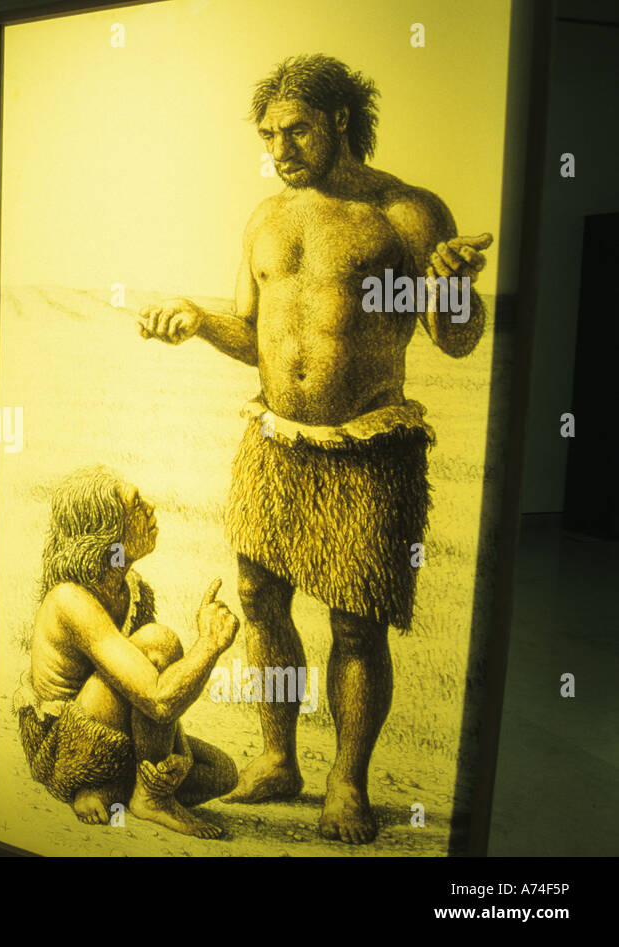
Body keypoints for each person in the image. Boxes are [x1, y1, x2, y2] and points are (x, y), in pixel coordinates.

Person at [137, 54, 491, 843]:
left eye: (295, 129)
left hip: (367, 447)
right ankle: (278, 757)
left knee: (357, 623)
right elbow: (253, 335)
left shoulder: (406, 215)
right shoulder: (266, 218)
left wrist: (453, 285)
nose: (281, 147)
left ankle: (348, 781)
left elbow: (455, 337)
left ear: (338, 120)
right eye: (269, 134)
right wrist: (198, 319)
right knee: (262, 601)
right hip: (276, 441)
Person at [17, 465, 239, 839]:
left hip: (117, 740)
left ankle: (115, 791)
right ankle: (137, 796)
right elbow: (157, 698)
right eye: (135, 504)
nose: (150, 508)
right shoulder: (70, 600)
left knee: (221, 772)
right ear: (105, 532)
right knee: (160, 641)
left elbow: (150, 703)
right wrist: (210, 645)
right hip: (70, 749)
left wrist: (177, 755)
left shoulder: (133, 589)